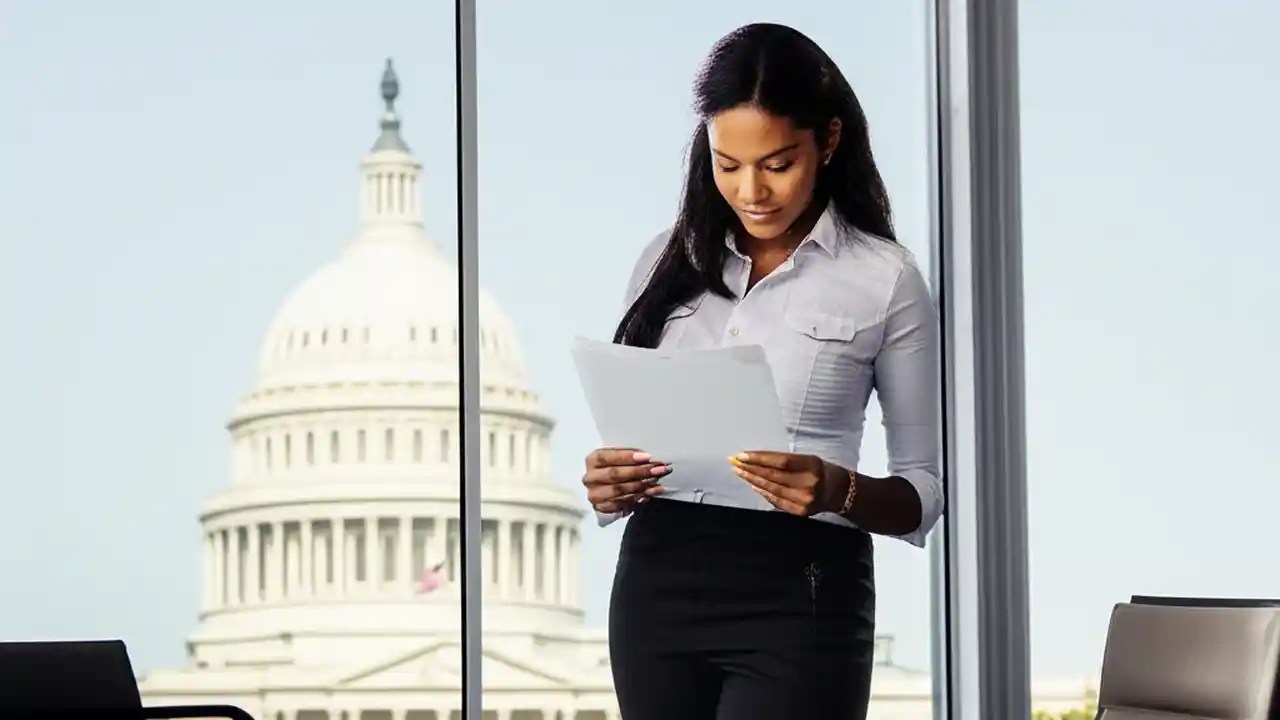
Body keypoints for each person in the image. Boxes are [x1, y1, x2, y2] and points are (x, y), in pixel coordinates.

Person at [580, 22, 943, 720]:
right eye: (728, 164)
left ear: (828, 142)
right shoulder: (663, 260)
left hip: (801, 586)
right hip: (657, 576)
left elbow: (925, 489)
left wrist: (838, 490)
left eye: (778, 165)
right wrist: (608, 482)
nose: (751, 191)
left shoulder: (884, 279)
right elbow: (632, 426)